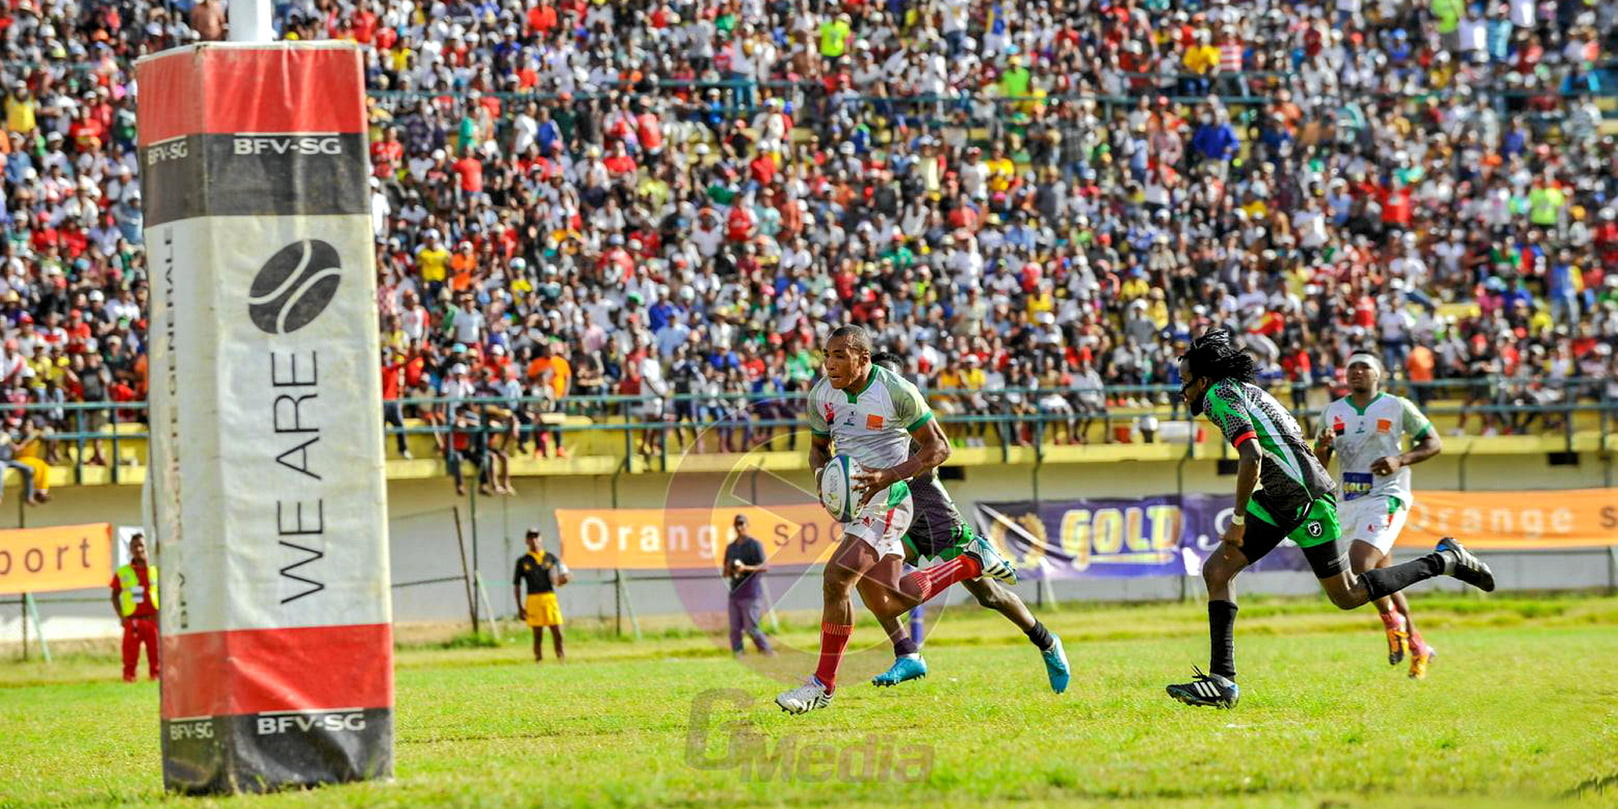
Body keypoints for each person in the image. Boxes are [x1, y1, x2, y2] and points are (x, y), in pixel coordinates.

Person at [1167, 330, 1494, 708]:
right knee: (1221, 572)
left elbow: (1252, 455)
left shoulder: (1217, 397)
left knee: (1347, 593)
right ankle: (1223, 682)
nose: (1183, 391)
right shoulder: (1243, 390)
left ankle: (1445, 560)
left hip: (1298, 496)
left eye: (1184, 381)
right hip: (1285, 493)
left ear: (1203, 380)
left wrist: (1238, 520)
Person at [775, 325, 1017, 715]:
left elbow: (940, 447)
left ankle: (821, 685)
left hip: (892, 496)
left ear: (863, 358)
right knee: (889, 603)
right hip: (859, 505)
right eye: (826, 355)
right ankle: (971, 562)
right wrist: (823, 480)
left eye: (839, 355)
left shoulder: (895, 391)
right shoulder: (821, 395)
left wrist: (887, 476)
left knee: (837, 576)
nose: (830, 364)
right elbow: (818, 449)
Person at [866, 352, 1070, 693]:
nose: (888, 386)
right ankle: (907, 653)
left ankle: (1047, 642)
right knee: (872, 579)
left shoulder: (911, 416)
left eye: (893, 379)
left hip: (933, 514)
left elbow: (931, 460)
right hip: (898, 516)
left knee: (988, 595)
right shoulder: (861, 421)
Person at [1315, 354, 1443, 678]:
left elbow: (1433, 442)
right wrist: (1323, 446)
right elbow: (1318, 460)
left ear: (1379, 374)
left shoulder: (1398, 406)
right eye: (1351, 368)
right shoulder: (1333, 411)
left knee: (1361, 563)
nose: (1356, 372)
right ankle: (1418, 646)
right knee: (1381, 580)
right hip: (1349, 499)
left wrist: (1401, 459)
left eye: (1364, 367)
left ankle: (1392, 625)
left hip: (1387, 494)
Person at [513, 527, 570, 663]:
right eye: (531, 537)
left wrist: (563, 579)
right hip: (533, 598)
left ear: (541, 539)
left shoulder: (550, 558)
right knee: (537, 633)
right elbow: (517, 584)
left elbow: (562, 575)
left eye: (536, 537)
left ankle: (561, 659)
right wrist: (520, 607)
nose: (534, 540)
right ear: (526, 541)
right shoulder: (523, 561)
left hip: (549, 597)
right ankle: (538, 660)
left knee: (557, 631)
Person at [109, 534, 159, 682]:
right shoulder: (123, 572)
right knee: (129, 655)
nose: (139, 549)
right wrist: (121, 617)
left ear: (147, 547)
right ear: (130, 549)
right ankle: (129, 679)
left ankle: (155, 678)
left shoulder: (156, 569)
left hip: (153, 619)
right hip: (133, 621)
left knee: (156, 654)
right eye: (135, 546)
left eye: (141, 545)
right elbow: (114, 595)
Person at [723, 514, 773, 657]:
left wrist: (746, 568)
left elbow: (765, 566)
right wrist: (729, 568)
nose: (740, 527)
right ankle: (738, 654)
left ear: (747, 525)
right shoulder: (731, 547)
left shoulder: (754, 545)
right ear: (734, 527)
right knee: (735, 628)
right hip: (735, 592)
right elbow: (726, 573)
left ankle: (766, 651)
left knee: (751, 627)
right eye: (737, 524)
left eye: (742, 524)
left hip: (751, 592)